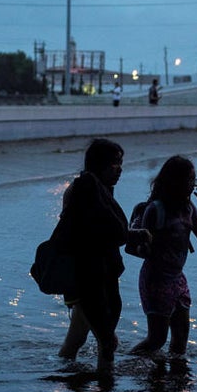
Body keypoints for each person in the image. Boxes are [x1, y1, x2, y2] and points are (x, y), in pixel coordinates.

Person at [56, 138, 148, 373]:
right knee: (108, 342)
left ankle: (69, 384)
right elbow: (99, 233)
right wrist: (133, 235)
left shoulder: (98, 190)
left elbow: (106, 231)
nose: (120, 169)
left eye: (121, 163)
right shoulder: (84, 191)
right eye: (115, 164)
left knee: (76, 340)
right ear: (100, 164)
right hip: (89, 279)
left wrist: (131, 235)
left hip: (98, 276)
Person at [129, 155, 197, 357]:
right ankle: (126, 364)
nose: (192, 185)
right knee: (156, 340)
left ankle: (176, 383)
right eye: (188, 180)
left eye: (194, 179)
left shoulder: (188, 208)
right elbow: (137, 246)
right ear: (174, 181)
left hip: (177, 279)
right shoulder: (155, 209)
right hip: (156, 279)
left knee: (181, 339)